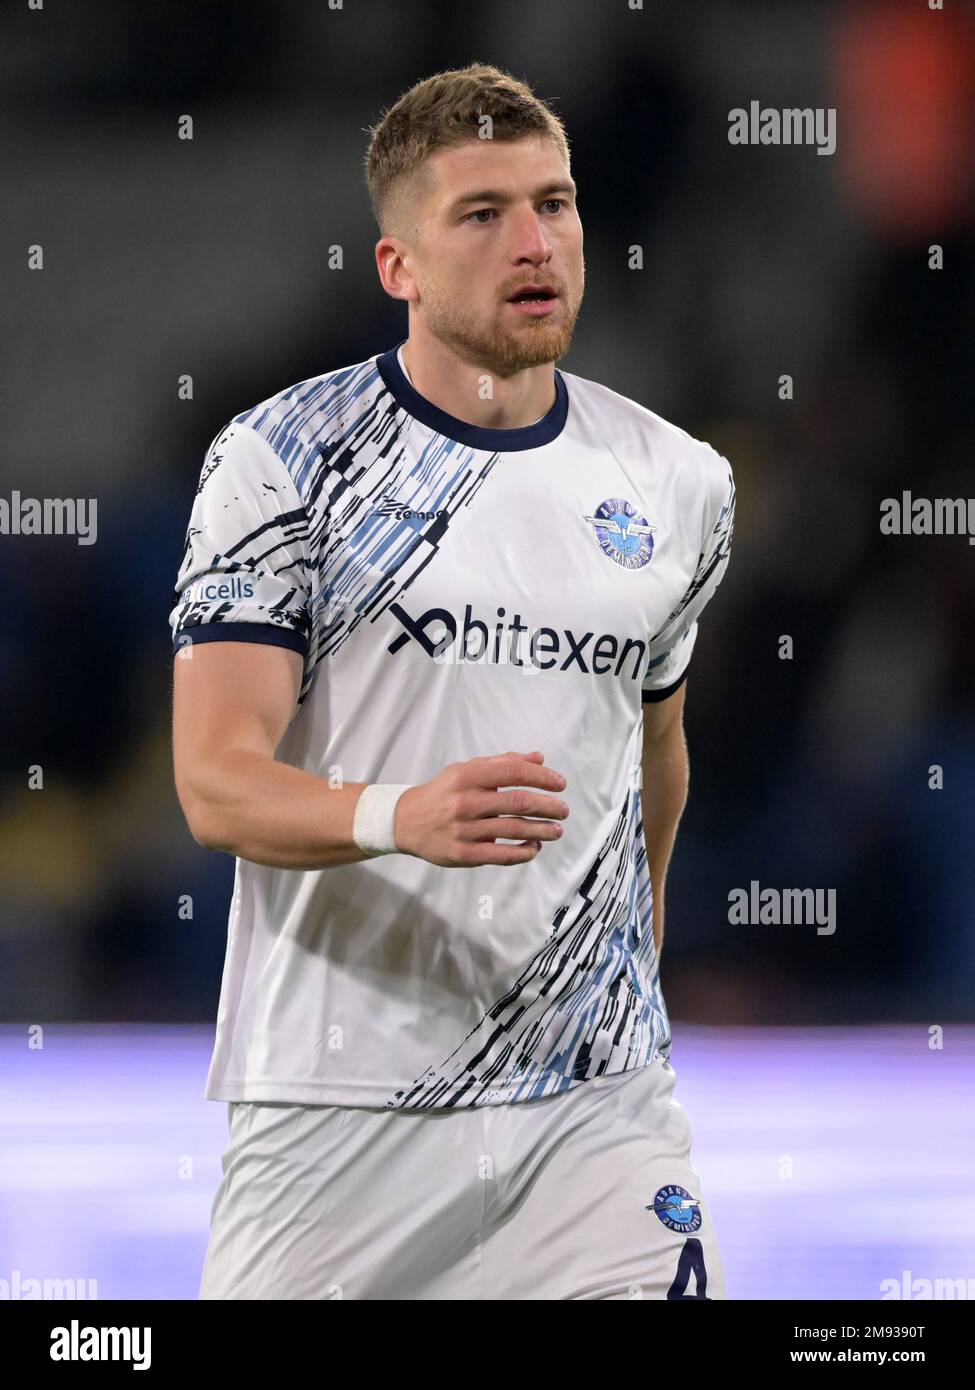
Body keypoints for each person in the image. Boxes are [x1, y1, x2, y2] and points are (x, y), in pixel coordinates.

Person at [170, 62, 736, 1300]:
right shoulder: (287, 464)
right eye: (482, 214)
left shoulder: (675, 480)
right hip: (342, 1097)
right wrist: (400, 816)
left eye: (556, 202)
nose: (534, 242)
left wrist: (622, 970)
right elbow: (216, 785)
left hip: (597, 1103)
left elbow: (656, 750)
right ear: (400, 268)